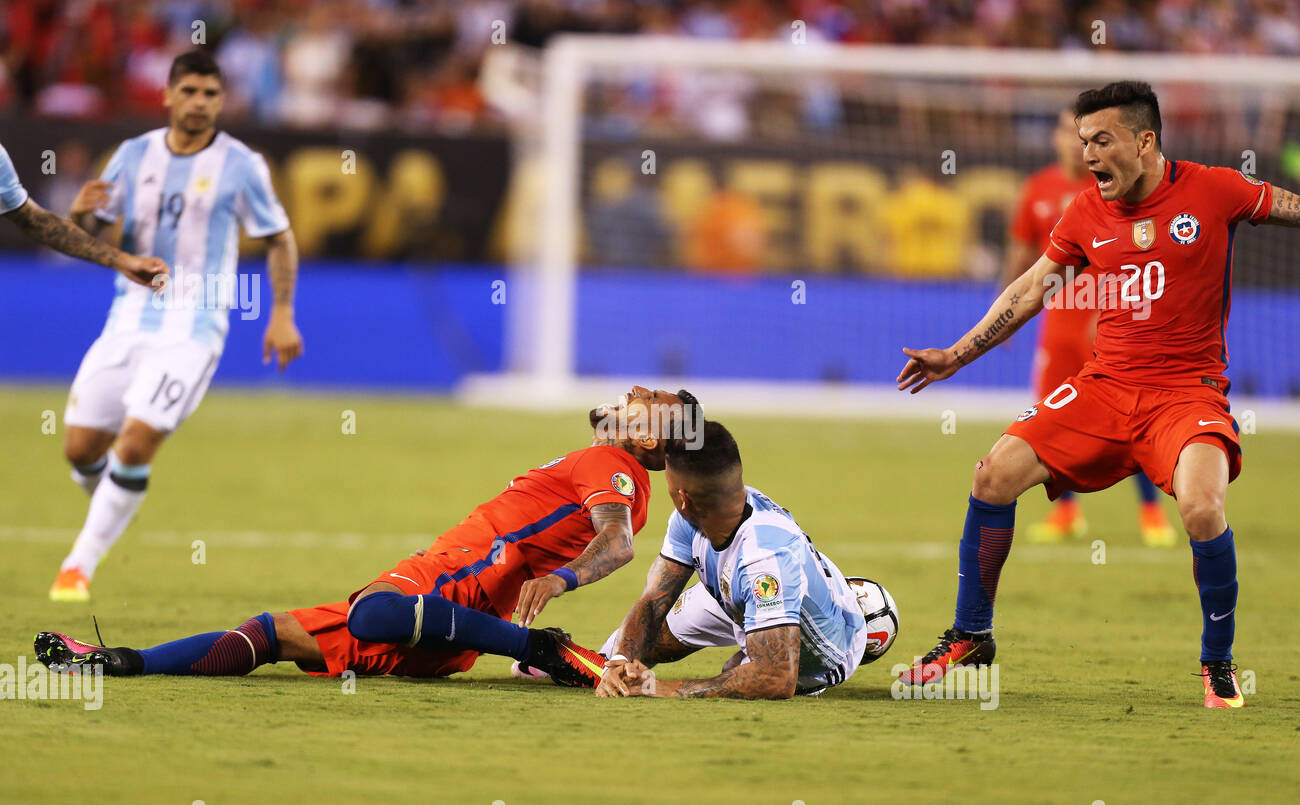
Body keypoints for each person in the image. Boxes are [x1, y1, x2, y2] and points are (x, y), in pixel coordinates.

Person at [895, 81, 1300, 708]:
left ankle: (1217, 662)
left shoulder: (1215, 188)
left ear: (1145, 140)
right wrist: (957, 353)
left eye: (1101, 140)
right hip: (1103, 388)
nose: (1087, 154)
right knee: (993, 475)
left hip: (1185, 395)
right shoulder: (1084, 212)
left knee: (1200, 508)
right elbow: (1030, 289)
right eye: (1083, 140)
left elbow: (1287, 205)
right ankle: (971, 635)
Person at [36, 388, 701, 689]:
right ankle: (124, 661)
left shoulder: (610, 467)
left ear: (646, 439)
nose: (638, 389)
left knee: (372, 610)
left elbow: (616, 545)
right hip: (451, 634)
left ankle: (544, 650)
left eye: (654, 400)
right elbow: (612, 507)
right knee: (271, 632)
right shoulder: (616, 467)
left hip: (450, 584)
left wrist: (557, 583)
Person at [48, 51, 303, 603]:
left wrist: (281, 312)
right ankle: (116, 504)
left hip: (195, 326)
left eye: (211, 93)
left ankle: (78, 566)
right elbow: (88, 233)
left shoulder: (242, 164)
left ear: (222, 99)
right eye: (189, 91)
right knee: (80, 449)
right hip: (128, 318)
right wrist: (84, 212)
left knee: (137, 442)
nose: (200, 103)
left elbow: (278, 237)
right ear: (167, 95)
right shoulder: (132, 154)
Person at [594, 420, 879, 700]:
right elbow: (654, 600)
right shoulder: (706, 509)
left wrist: (663, 688)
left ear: (684, 498)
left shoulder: (766, 555)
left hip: (822, 652)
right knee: (613, 657)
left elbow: (776, 678)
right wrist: (620, 659)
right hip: (734, 588)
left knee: (740, 672)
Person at [1004, 108, 1175, 546]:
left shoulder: (1113, 189)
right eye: (1066, 132)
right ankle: (1066, 515)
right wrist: (1005, 316)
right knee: (1050, 420)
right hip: (1058, 325)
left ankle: (1152, 512)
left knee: (1130, 420)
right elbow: (1022, 257)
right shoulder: (1038, 189)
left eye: (1086, 136)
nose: (1074, 143)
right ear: (1056, 139)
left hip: (1109, 324)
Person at [0, 141, 166, 284]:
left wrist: (124, 261)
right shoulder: (54, 187)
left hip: (83, 264)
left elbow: (38, 223)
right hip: (53, 263)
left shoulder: (96, 186)